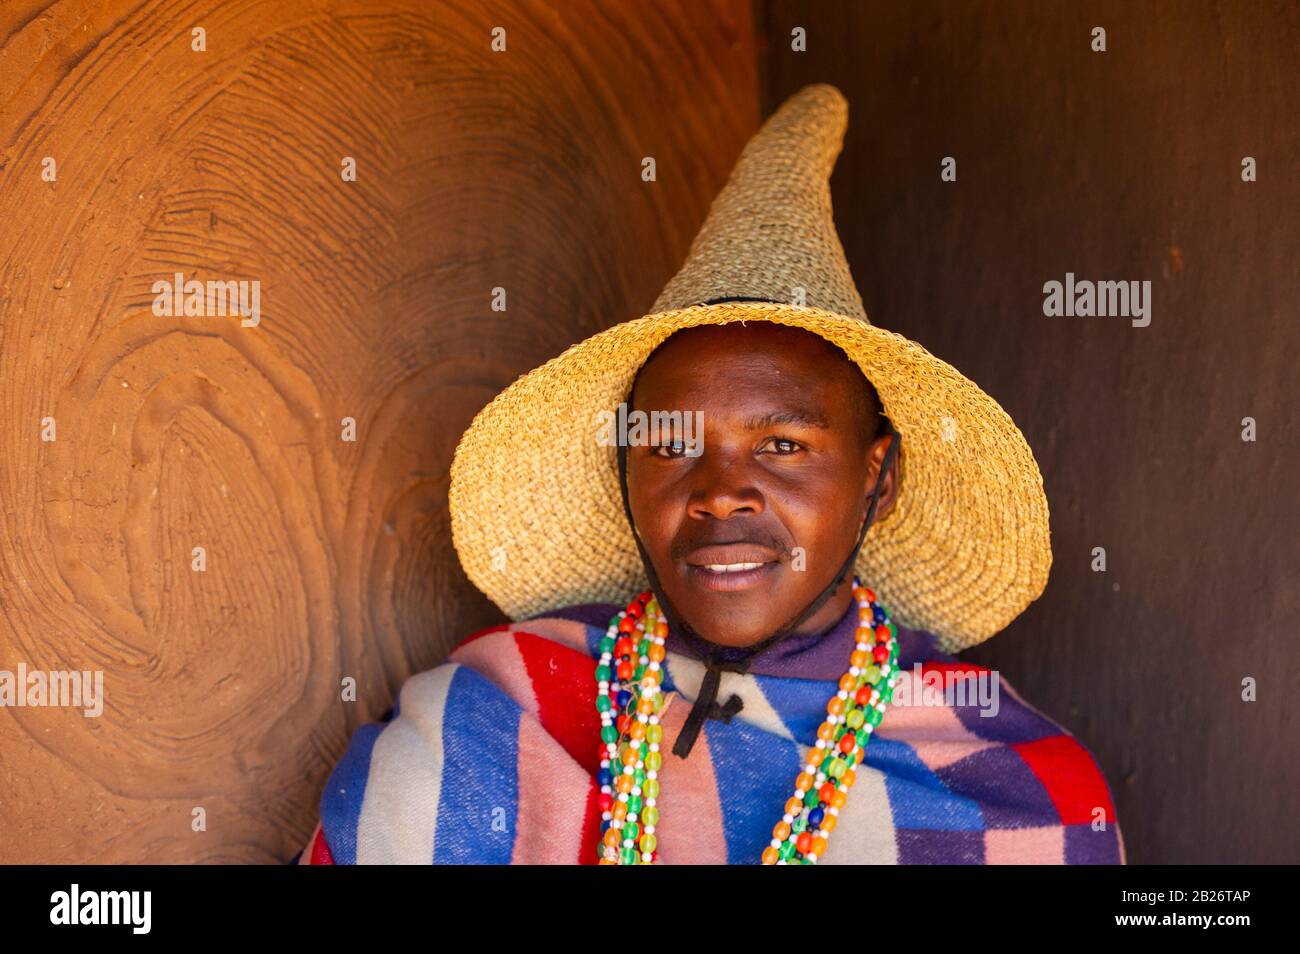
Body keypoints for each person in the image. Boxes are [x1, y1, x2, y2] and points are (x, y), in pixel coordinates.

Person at [295, 83, 1124, 865]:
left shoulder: (1011, 790)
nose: (720, 490)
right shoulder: (493, 717)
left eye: (783, 447)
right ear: (625, 476)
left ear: (878, 480)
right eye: (669, 444)